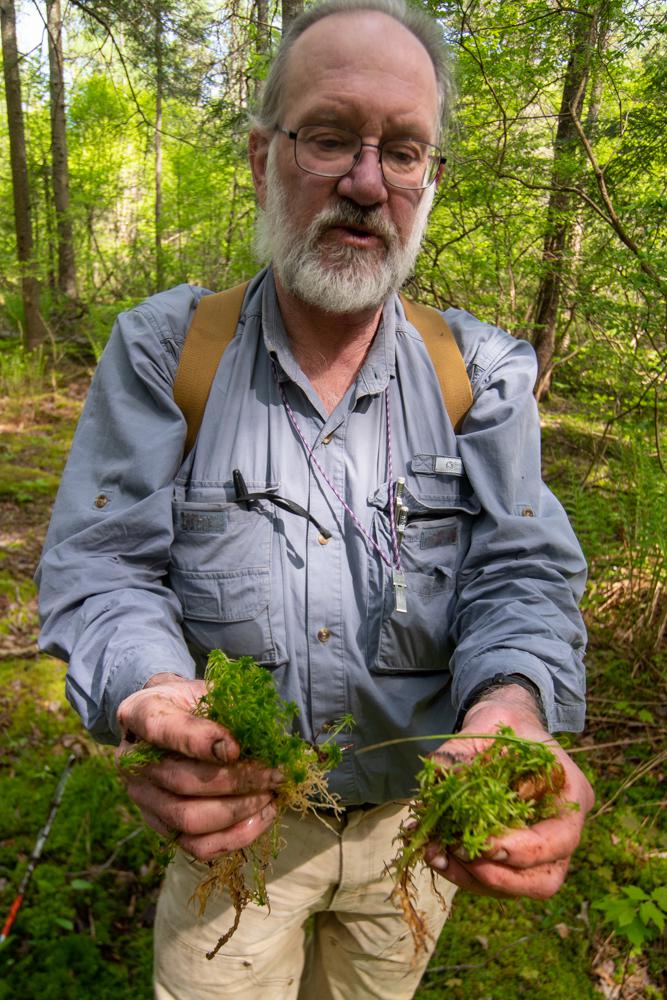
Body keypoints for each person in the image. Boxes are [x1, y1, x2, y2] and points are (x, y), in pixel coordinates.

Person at [37, 0, 594, 996]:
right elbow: (104, 567)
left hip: (408, 835)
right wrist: (148, 691)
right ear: (262, 159)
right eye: (330, 138)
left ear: (428, 182)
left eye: (405, 151)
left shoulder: (484, 375)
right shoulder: (168, 354)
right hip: (235, 832)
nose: (368, 182)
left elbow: (518, 572)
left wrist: (511, 705)